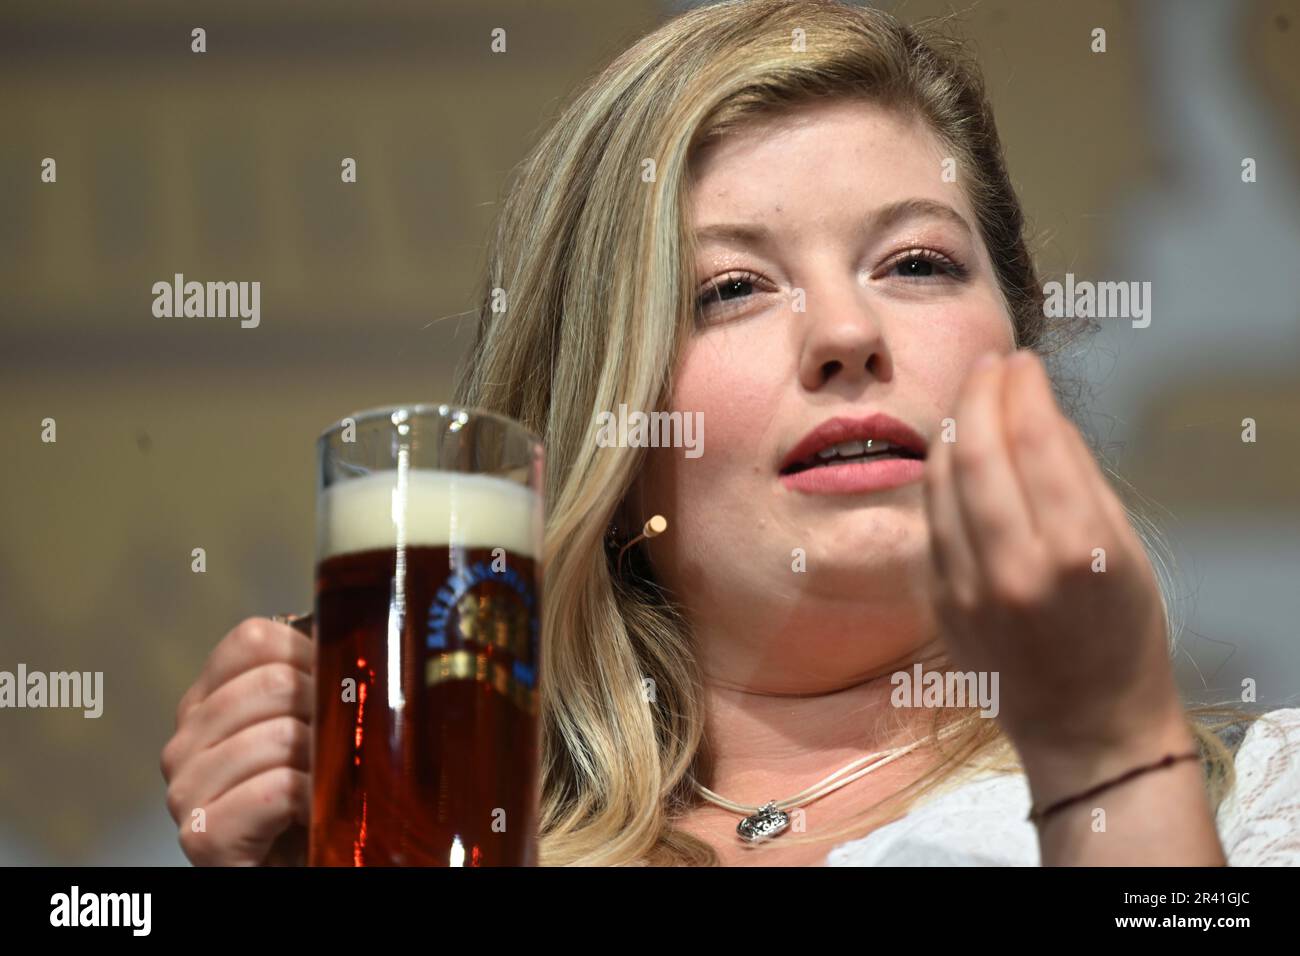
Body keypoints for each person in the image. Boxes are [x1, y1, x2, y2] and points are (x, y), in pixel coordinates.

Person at [161, 0, 1299, 866]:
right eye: (731, 289)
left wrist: (1111, 761)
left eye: (916, 262)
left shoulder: (1254, 807)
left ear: (1021, 350)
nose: (846, 332)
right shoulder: (469, 838)